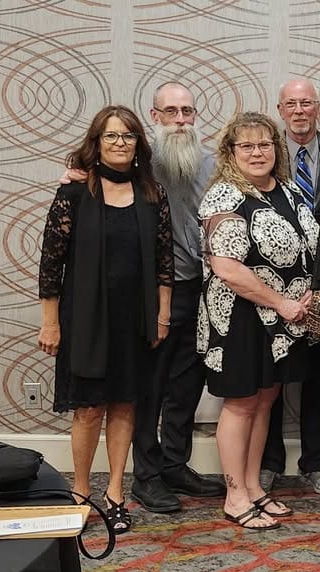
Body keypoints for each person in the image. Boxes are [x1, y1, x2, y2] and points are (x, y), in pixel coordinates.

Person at [38, 105, 173, 534]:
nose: (120, 143)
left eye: (128, 136)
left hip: (136, 320)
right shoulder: (74, 193)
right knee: (88, 409)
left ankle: (115, 492)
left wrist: (163, 316)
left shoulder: (153, 194)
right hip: (84, 322)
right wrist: (50, 323)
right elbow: (50, 263)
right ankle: (80, 491)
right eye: (111, 136)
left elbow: (164, 261)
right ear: (96, 143)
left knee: (125, 405)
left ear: (139, 144)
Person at [197, 112, 317, 530]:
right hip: (241, 319)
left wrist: (302, 294)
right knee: (241, 403)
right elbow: (227, 267)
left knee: (266, 400)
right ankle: (234, 494)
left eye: (264, 144)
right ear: (231, 152)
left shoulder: (289, 191)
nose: (256, 152)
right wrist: (281, 302)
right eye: (246, 145)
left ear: (276, 148)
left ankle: (253, 486)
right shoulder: (224, 198)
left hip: (284, 323)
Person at [259, 77, 320, 496]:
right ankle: (267, 463)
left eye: (307, 103)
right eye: (291, 104)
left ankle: (316, 462)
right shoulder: (263, 156)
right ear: (280, 111)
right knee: (271, 376)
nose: (299, 110)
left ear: (318, 108)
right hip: (275, 285)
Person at [130, 82, 225, 513]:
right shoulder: (138, 163)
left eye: (188, 111)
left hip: (201, 289)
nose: (181, 120)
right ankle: (146, 476)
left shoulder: (211, 162)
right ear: (154, 116)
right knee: (150, 385)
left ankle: (174, 463)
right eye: (172, 112)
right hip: (151, 293)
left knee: (188, 382)